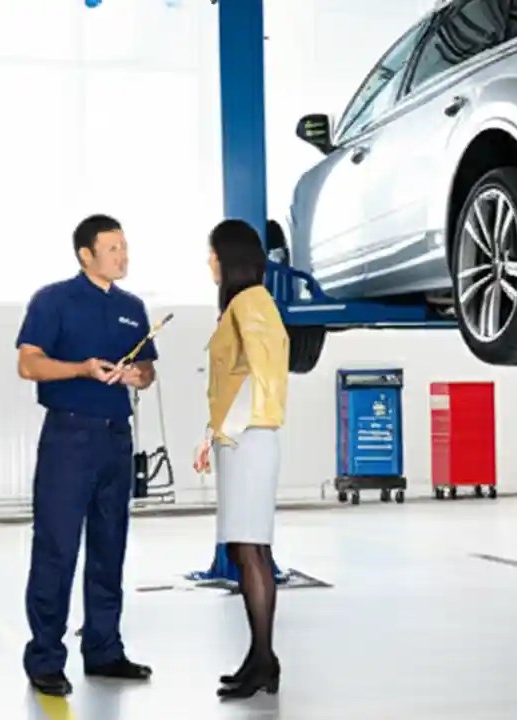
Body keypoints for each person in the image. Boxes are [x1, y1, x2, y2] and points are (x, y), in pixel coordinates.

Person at [14, 214, 158, 697]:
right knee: (56, 547)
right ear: (85, 254)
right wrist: (80, 369)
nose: (123, 255)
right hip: (68, 440)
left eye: (125, 247)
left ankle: (103, 650)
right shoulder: (52, 300)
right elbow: (27, 363)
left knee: (109, 546)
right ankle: (46, 657)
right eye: (113, 248)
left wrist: (138, 376)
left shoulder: (133, 307)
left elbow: (148, 369)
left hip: (117, 438)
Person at [192, 218, 290, 700]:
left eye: (212, 253)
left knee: (250, 549)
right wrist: (215, 434)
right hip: (239, 437)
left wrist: (220, 433)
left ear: (227, 256)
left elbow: (263, 375)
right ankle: (260, 657)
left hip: (249, 438)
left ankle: (264, 661)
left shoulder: (252, 302)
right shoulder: (241, 305)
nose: (208, 261)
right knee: (244, 549)